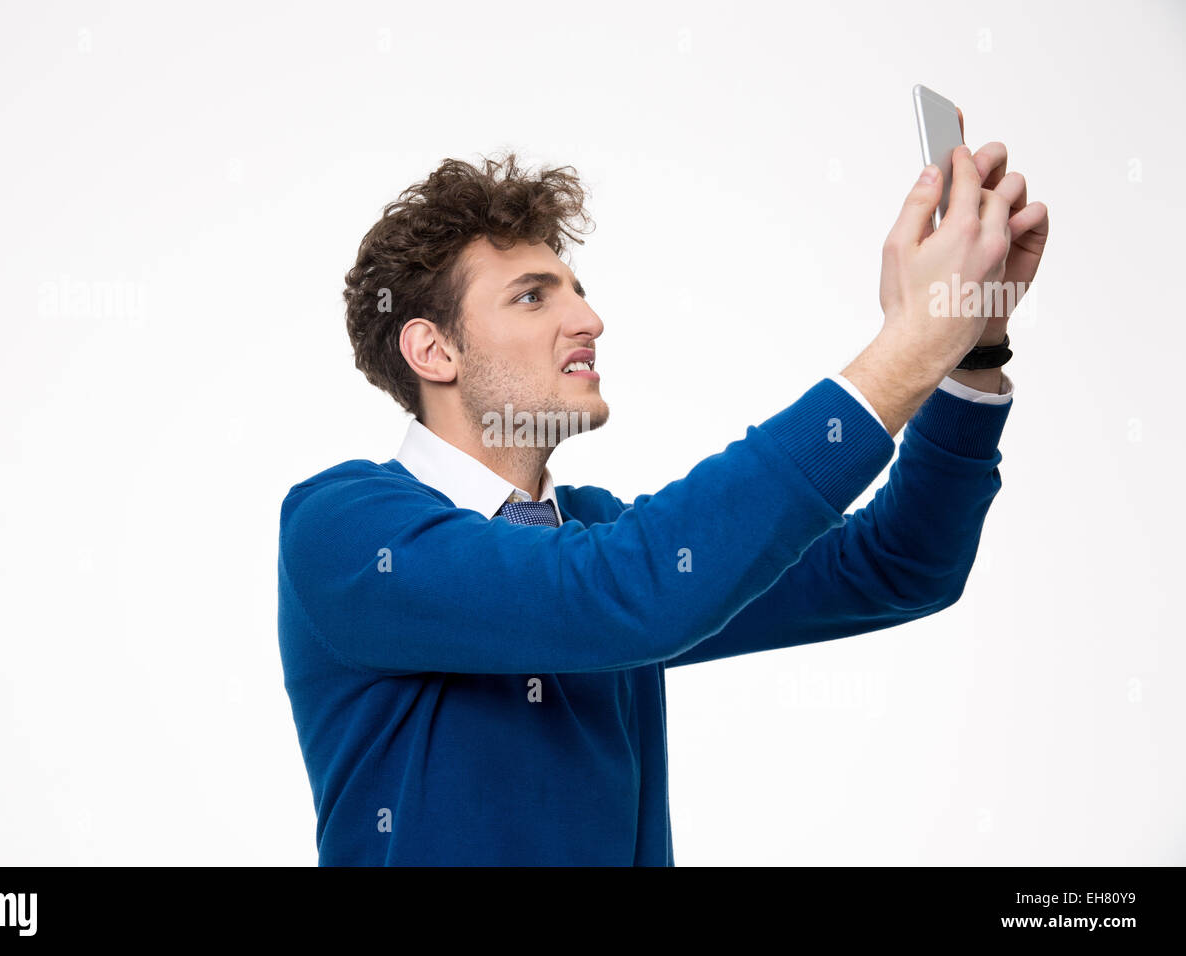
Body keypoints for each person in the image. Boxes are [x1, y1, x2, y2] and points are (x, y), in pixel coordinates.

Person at [277, 141, 1049, 865]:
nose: (588, 319)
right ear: (433, 350)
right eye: (532, 297)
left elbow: (898, 566)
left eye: (576, 291)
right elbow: (623, 592)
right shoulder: (345, 530)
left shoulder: (597, 531)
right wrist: (909, 343)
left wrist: (970, 351)